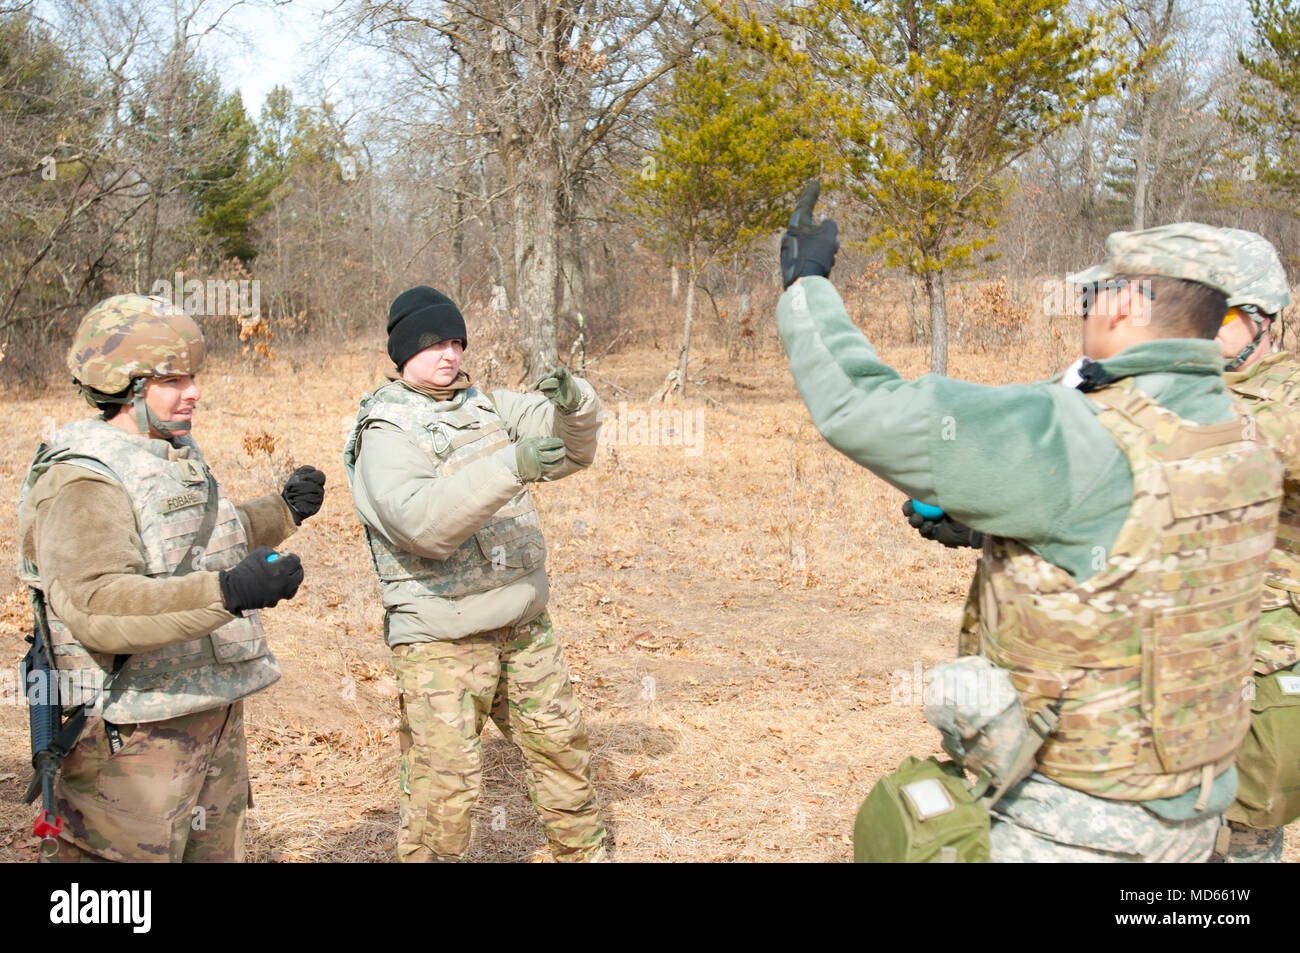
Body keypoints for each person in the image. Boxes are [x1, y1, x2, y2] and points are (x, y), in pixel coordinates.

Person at [777, 189, 1282, 862]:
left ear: (1127, 303)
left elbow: (864, 407)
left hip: (1071, 821)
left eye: (1092, 297)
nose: (1085, 313)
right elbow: (1138, 561)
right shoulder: (1241, 436)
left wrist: (806, 287)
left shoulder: (1082, 430)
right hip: (1193, 816)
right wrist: (999, 527)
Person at [17, 294, 324, 862]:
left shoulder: (167, 452)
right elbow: (100, 605)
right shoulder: (84, 480)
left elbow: (192, 541)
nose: (194, 391)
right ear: (126, 385)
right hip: (130, 738)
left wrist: (282, 512)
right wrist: (229, 592)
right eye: (174, 380)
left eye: (194, 376)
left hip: (207, 712)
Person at [343, 286, 607, 862]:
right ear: (403, 350)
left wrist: (575, 404)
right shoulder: (385, 430)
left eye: (457, 341)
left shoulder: (486, 405)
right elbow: (424, 525)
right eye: (435, 342)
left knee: (563, 751)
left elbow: (571, 449)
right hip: (442, 638)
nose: (450, 354)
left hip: (522, 623)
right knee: (445, 792)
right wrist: (511, 464)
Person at [1213, 229, 1299, 862]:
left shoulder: (1288, 397)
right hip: (1170, 645)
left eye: (1219, 315)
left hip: (1264, 650)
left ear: (1266, 320)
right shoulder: (1165, 384)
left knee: (1242, 838)